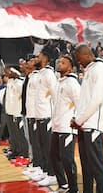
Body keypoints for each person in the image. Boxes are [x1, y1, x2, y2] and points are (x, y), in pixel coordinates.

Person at [71, 44, 103, 193]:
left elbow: (96, 99)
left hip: (93, 125)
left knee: (97, 166)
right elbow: (84, 99)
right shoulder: (90, 70)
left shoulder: (99, 69)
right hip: (84, 125)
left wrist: (80, 120)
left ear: (87, 55)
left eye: (80, 59)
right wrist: (77, 117)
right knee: (86, 165)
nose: (79, 62)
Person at [51, 56, 80, 193]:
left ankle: (74, 189)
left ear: (70, 67)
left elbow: (80, 103)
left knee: (67, 159)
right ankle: (63, 184)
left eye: (63, 62)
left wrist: (75, 119)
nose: (59, 64)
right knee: (53, 156)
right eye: (58, 61)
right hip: (56, 126)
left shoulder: (72, 83)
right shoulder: (59, 82)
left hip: (67, 127)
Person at [31, 46, 58, 186]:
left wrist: (54, 117)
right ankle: (44, 171)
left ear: (46, 58)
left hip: (47, 116)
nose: (37, 57)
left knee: (48, 147)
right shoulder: (41, 73)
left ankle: (53, 174)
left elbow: (55, 96)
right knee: (42, 146)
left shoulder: (49, 74)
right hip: (39, 115)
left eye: (40, 55)